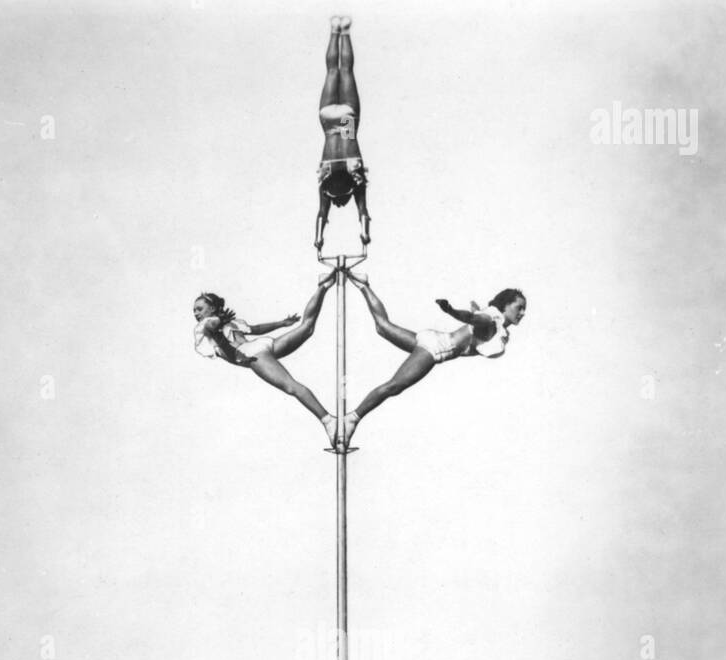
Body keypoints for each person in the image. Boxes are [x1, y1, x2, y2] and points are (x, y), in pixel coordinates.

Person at [341, 271, 527, 443]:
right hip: (435, 348)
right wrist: (452, 311)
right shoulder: (492, 321)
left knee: (383, 327)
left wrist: (472, 309)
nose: (522, 313)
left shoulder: (496, 323)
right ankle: (352, 419)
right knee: (394, 386)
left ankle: (363, 284)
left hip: (434, 338)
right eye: (519, 307)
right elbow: (472, 319)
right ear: (506, 305)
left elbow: (475, 319)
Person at [193, 267, 338, 443]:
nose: (196, 313)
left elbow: (249, 330)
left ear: (213, 308)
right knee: (307, 328)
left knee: (291, 387)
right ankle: (323, 286)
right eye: (195, 310)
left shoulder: (209, 324)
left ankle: (328, 420)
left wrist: (281, 323)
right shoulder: (214, 324)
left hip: (251, 352)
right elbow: (224, 330)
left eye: (200, 309)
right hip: (261, 345)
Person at [315, 17, 370, 251]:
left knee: (343, 71)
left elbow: (363, 213)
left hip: (346, 129)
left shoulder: (354, 184)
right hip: (329, 123)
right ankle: (336, 30)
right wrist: (318, 237)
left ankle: (342, 30)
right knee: (333, 71)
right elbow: (321, 215)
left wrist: (365, 232)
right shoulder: (325, 185)